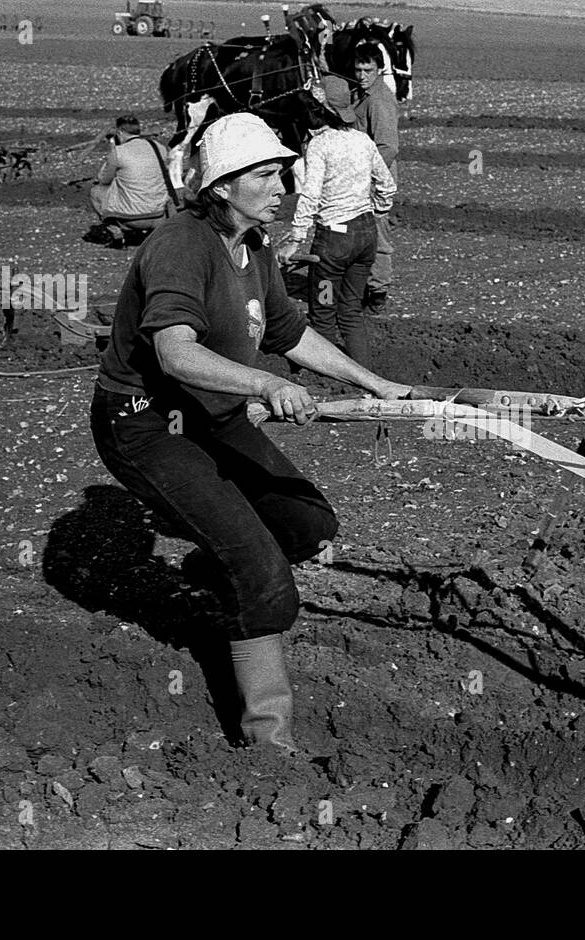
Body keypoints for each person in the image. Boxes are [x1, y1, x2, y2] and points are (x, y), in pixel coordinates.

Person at [89, 112, 412, 756]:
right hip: (149, 425)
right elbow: (176, 353)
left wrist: (373, 384)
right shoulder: (183, 245)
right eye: (266, 174)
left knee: (306, 525)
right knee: (262, 570)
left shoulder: (255, 246)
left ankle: (223, 576)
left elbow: (289, 333)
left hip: (214, 413)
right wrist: (266, 386)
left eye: (281, 171)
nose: (280, 185)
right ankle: (268, 742)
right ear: (224, 184)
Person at [279, 76, 395, 367]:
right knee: (351, 310)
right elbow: (387, 186)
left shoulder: (320, 146)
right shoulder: (363, 140)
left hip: (332, 246)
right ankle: (364, 375)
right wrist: (376, 210)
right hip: (366, 238)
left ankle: (326, 377)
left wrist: (295, 239)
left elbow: (310, 196)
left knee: (323, 309)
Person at [351, 43, 399, 318]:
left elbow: (388, 147)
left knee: (378, 239)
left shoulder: (379, 101)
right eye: (358, 69)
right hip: (368, 179)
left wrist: (367, 179)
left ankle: (378, 295)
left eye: (367, 70)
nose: (361, 75)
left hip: (375, 182)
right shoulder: (366, 95)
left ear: (379, 69)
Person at [88, 115, 176, 248]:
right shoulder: (159, 147)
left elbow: (103, 180)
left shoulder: (119, 152)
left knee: (95, 191)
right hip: (159, 215)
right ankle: (153, 233)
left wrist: (112, 151)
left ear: (119, 133)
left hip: (132, 220)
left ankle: (115, 228)